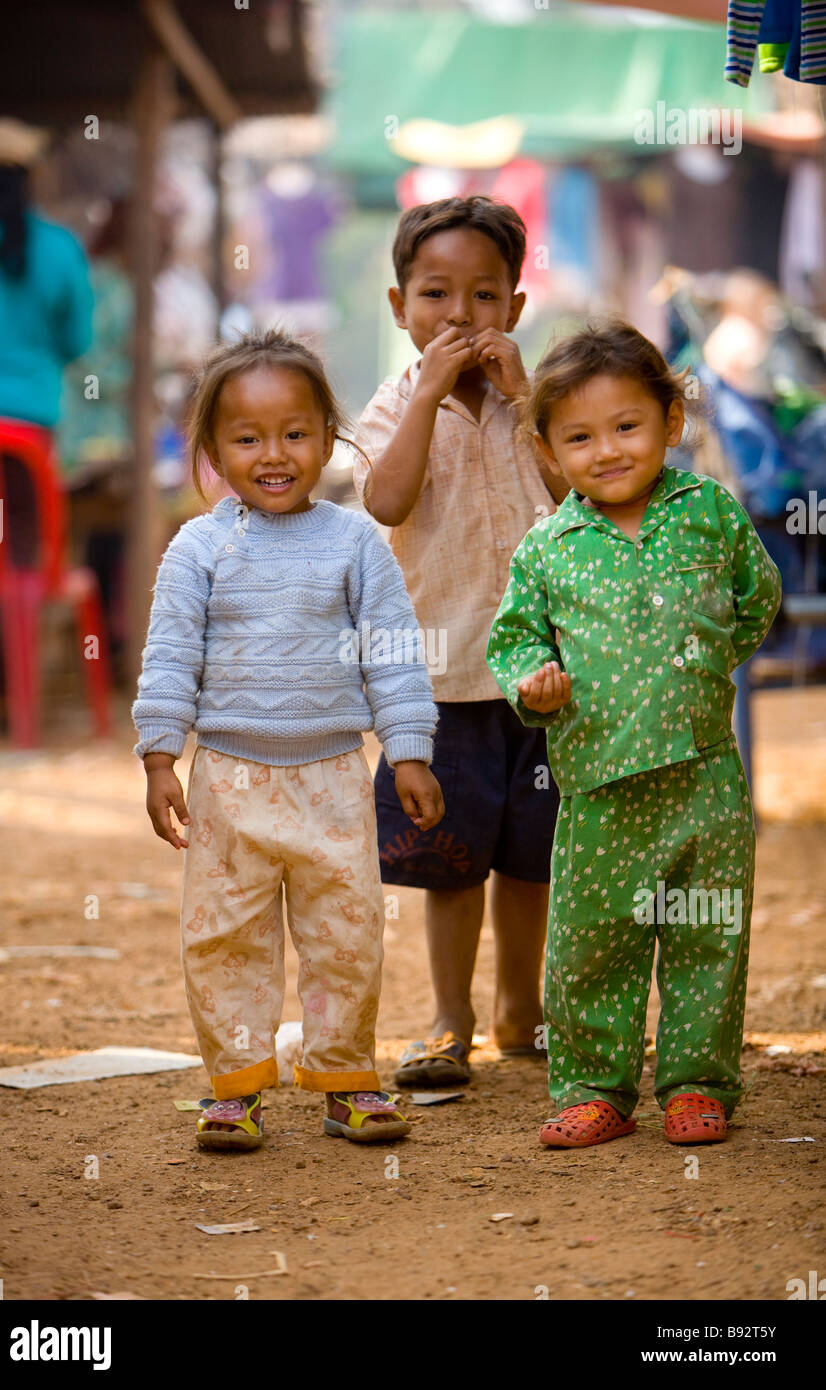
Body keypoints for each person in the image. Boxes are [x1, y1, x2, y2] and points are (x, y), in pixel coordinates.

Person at [132, 330, 444, 1150]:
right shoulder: (199, 548)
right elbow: (169, 654)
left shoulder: (353, 544)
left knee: (346, 932)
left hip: (336, 778)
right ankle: (234, 1090)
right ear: (212, 450)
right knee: (224, 936)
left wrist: (408, 747)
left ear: (328, 438)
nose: (274, 455)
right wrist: (161, 754)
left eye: (295, 434)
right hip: (228, 781)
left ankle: (345, 1079)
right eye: (247, 438)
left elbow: (393, 647)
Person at [487, 320, 782, 1148]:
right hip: (597, 790)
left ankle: (695, 1085)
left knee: (705, 936)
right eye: (579, 437)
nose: (607, 450)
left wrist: (703, 667)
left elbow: (757, 599)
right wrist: (534, 686)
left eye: (627, 426)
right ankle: (594, 1088)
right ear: (549, 450)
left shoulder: (709, 513)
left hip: (704, 780)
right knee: (592, 947)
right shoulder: (549, 548)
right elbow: (515, 643)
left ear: (670, 424)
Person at [354, 195, 563, 1088]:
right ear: (400, 308)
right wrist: (429, 397)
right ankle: (450, 1019)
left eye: (484, 296)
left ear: (516, 308)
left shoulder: (546, 402)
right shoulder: (394, 403)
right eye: (436, 295)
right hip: (437, 680)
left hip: (545, 674)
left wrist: (528, 401)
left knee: (534, 855)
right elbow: (385, 502)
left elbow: (579, 494)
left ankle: (526, 1011)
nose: (461, 317)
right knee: (449, 862)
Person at [0, 118, 93, 566]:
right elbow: (77, 341)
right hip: (28, 439)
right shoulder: (60, 248)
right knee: (20, 560)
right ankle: (14, 635)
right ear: (32, 177)